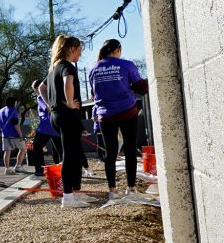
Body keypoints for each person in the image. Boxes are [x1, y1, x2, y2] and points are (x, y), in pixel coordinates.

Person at [89, 38, 149, 202]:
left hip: (105, 115)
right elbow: (140, 88)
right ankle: (131, 189)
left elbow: (94, 95)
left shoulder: (94, 68)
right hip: (127, 112)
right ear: (118, 49)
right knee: (130, 150)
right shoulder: (126, 65)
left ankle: (112, 191)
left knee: (111, 152)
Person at [46, 34, 94, 208]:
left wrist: (50, 104)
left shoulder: (53, 68)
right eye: (79, 51)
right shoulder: (67, 66)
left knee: (73, 155)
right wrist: (69, 102)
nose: (79, 55)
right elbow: (68, 84)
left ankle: (75, 193)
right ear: (72, 49)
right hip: (66, 116)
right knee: (69, 157)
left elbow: (41, 87)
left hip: (57, 116)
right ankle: (67, 197)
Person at [30, 80, 61, 177]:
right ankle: (61, 170)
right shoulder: (54, 95)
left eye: (36, 90)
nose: (36, 92)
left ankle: (39, 170)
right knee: (59, 150)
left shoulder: (41, 97)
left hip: (46, 127)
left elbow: (48, 107)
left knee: (36, 147)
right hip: (57, 126)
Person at [0, 99, 26, 173]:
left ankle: (7, 168)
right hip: (14, 134)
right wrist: (20, 134)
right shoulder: (13, 110)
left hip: (5, 134)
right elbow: (15, 124)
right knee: (23, 149)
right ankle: (18, 166)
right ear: (14, 103)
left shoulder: (1, 110)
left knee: (7, 151)